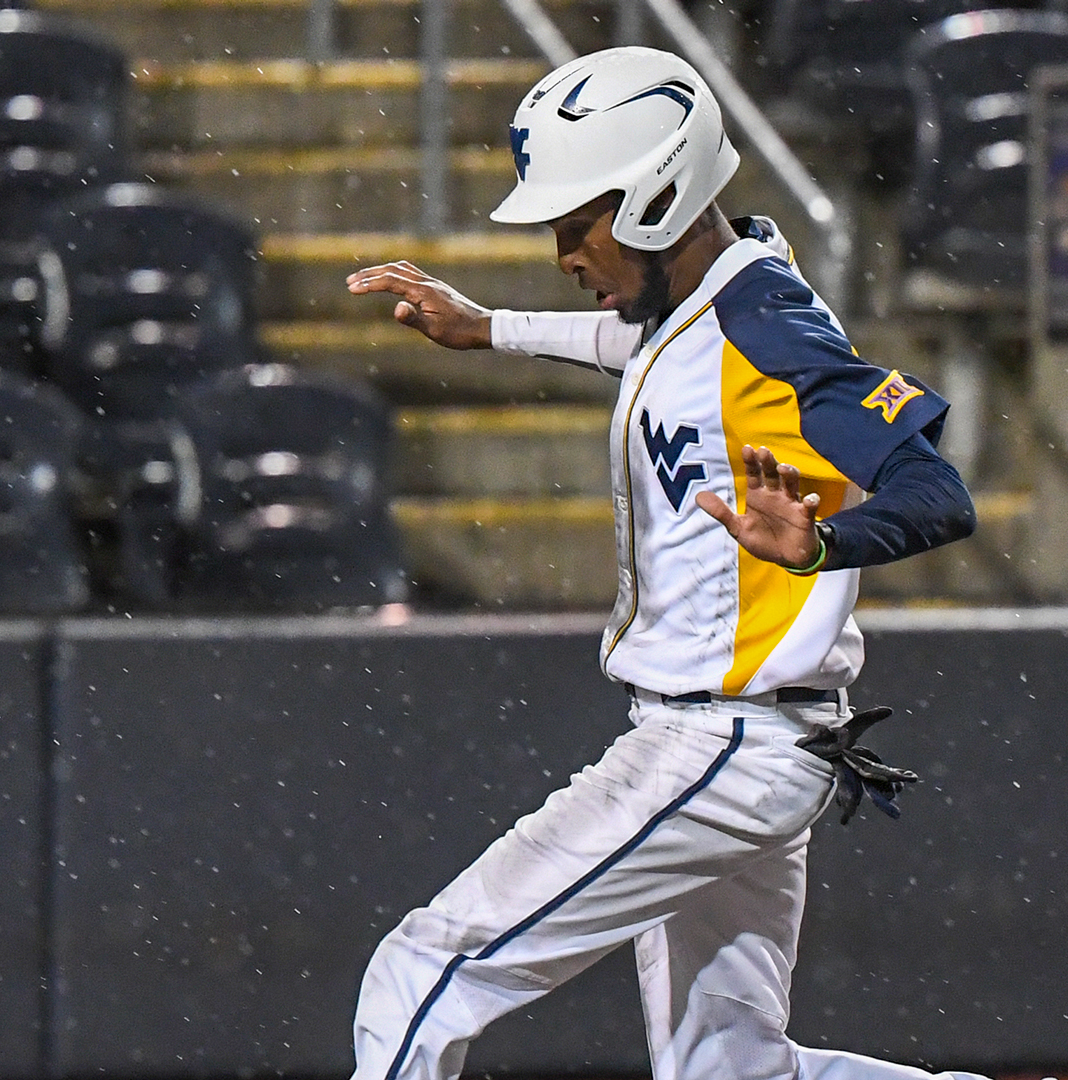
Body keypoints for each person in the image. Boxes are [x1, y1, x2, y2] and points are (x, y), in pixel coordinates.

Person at [343, 45, 980, 1080]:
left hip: (720, 746)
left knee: (423, 971)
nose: (561, 250)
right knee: (729, 1071)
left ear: (655, 198)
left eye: (573, 221)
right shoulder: (713, 301)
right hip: (755, 741)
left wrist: (824, 542)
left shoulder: (768, 327)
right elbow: (647, 349)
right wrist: (488, 328)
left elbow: (934, 491)